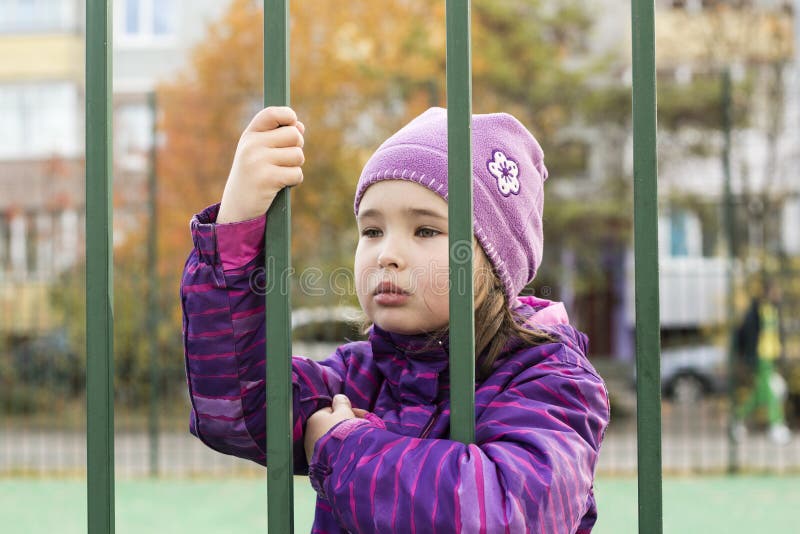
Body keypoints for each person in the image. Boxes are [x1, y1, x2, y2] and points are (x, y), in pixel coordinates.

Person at [181, 106, 610, 533]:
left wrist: (345, 449)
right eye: (371, 231)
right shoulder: (359, 374)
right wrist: (235, 227)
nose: (387, 253)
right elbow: (236, 409)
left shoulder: (552, 378)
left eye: (425, 230)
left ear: (495, 264)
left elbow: (503, 514)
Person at [733, 280, 791, 445]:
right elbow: (745, 334)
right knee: (774, 392)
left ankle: (737, 418)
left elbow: (777, 336)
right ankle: (776, 426)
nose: (778, 294)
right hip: (760, 358)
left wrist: (780, 357)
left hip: (771, 358)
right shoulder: (756, 311)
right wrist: (746, 358)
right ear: (768, 292)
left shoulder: (774, 310)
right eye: (776, 291)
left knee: (760, 395)